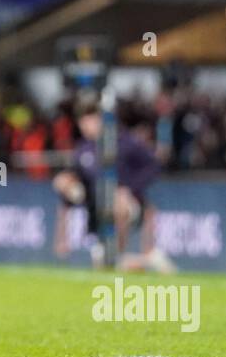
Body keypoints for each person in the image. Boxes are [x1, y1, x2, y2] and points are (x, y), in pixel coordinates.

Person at [53, 102, 174, 273]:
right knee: (62, 180)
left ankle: (118, 254)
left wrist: (130, 188)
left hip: (130, 206)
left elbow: (153, 166)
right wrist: (62, 237)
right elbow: (68, 193)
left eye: (90, 120)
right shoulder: (83, 149)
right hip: (96, 207)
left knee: (118, 203)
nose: (86, 126)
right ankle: (136, 258)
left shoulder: (125, 142)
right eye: (83, 122)